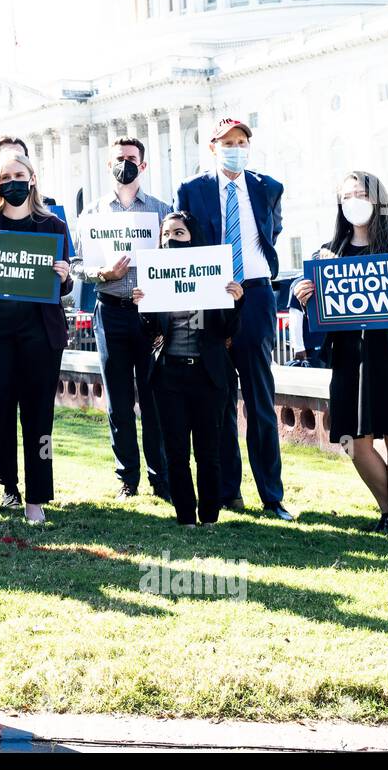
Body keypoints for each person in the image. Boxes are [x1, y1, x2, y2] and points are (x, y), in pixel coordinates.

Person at [291, 172, 388, 531]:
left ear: (378, 199)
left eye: (361, 194)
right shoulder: (327, 253)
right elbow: (316, 312)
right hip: (350, 358)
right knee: (352, 442)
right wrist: (305, 297)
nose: (354, 202)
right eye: (346, 196)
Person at [175, 118, 294, 521]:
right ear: (213, 147)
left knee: (260, 398)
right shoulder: (193, 190)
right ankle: (229, 491)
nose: (235, 147)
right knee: (219, 398)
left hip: (256, 294)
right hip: (212, 298)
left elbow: (271, 234)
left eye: (242, 141)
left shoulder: (267, 187)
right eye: (227, 142)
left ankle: (272, 495)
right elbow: (185, 243)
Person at [0, 151, 70, 523]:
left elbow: (65, 284)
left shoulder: (53, 226)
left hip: (40, 332)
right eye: (5, 177)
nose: (13, 183)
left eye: (19, 175)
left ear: (33, 178)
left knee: (39, 417)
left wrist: (64, 273)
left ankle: (35, 499)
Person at [71, 136, 172, 501]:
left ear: (142, 166)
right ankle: (127, 478)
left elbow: (176, 259)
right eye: (119, 158)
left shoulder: (162, 211)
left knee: (155, 398)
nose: (125, 163)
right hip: (110, 311)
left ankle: (161, 478)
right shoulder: (93, 214)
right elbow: (77, 267)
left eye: (131, 158)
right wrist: (104, 274)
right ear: (109, 164)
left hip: (150, 317)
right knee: (117, 401)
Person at [132, 213, 244, 527]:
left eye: (179, 232)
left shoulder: (213, 275)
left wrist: (235, 300)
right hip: (168, 376)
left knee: (208, 452)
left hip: (208, 376)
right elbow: (150, 332)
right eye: (166, 233)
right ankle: (185, 517)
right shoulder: (156, 278)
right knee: (176, 451)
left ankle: (209, 516)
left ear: (192, 236)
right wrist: (144, 306)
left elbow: (228, 330)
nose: (171, 238)